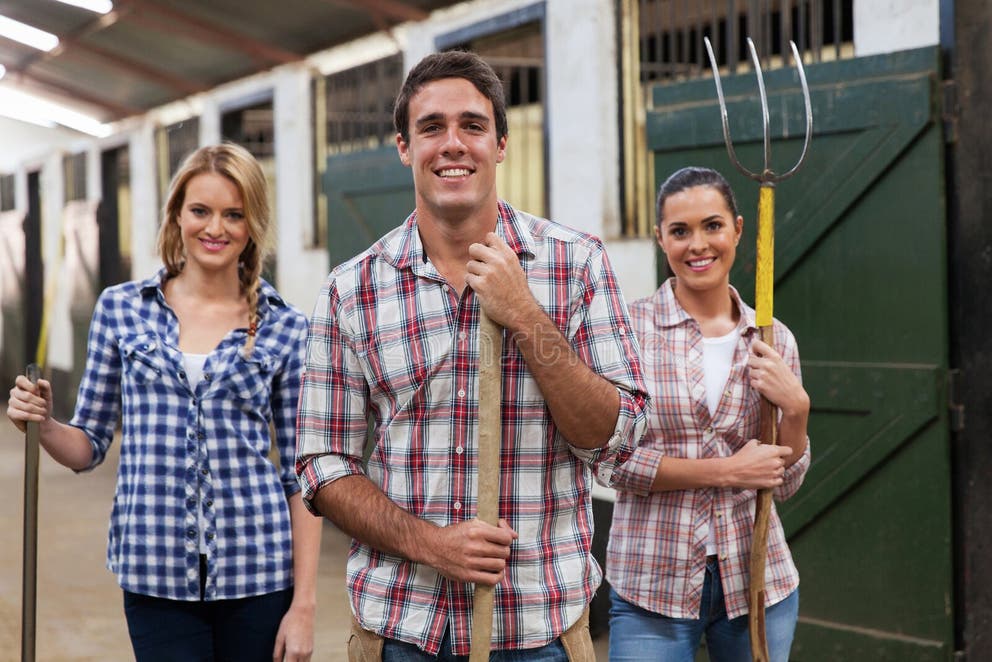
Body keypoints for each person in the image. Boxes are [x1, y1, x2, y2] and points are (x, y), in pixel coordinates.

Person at [295, 50, 648, 661]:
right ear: (404, 146)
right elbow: (323, 464)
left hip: (541, 634)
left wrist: (523, 314)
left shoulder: (576, 264)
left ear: (502, 143)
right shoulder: (352, 289)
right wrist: (432, 545)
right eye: (432, 127)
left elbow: (614, 438)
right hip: (400, 631)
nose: (452, 143)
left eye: (472, 126)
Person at [6, 143, 322, 661]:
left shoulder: (285, 327)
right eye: (200, 210)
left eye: (233, 214)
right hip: (155, 573)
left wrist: (304, 605)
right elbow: (88, 445)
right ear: (177, 215)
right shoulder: (121, 310)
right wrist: (41, 425)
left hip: (260, 572)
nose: (215, 228)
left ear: (251, 224)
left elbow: (302, 477)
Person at [606, 167, 811, 662]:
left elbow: (782, 483)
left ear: (739, 229)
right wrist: (727, 471)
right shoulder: (627, 332)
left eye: (712, 226)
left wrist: (798, 410)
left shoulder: (772, 339)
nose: (698, 245)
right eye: (680, 231)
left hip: (758, 583)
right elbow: (611, 462)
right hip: (651, 583)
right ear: (661, 239)